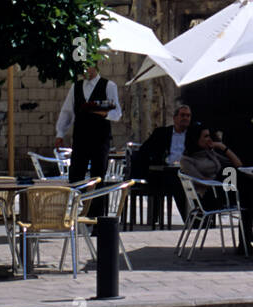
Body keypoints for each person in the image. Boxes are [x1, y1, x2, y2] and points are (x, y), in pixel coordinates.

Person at [54, 65, 121, 217]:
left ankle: (98, 219)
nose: (85, 71)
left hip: (100, 138)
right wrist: (60, 133)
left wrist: (103, 112)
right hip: (81, 138)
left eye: (88, 67)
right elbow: (68, 111)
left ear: (96, 66)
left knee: (98, 178)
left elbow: (117, 113)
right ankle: (86, 208)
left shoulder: (108, 86)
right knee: (75, 176)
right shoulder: (76, 87)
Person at [131, 104, 195, 219]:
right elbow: (144, 151)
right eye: (182, 115)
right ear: (175, 118)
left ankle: (197, 216)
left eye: (188, 116)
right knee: (176, 181)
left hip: (188, 172)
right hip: (164, 172)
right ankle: (188, 218)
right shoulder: (161, 133)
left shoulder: (194, 135)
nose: (185, 118)